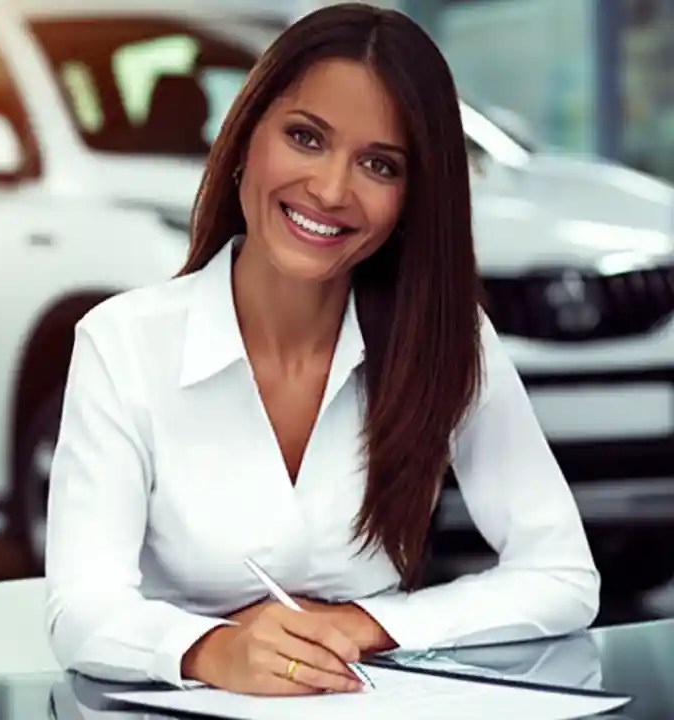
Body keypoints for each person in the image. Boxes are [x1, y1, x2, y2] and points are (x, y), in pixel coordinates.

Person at [44, 3, 600, 697]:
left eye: (379, 164)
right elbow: (82, 609)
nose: (333, 190)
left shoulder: (446, 344)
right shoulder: (123, 342)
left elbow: (563, 577)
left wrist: (361, 625)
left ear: (412, 199)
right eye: (306, 138)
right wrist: (214, 651)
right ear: (245, 140)